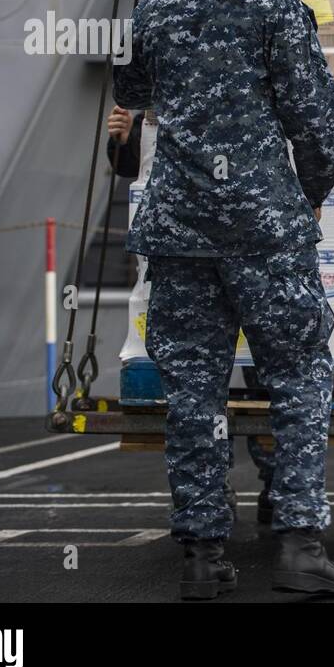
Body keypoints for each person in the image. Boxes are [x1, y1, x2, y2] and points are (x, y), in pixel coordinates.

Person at [113, 0, 334, 599]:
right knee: (299, 375)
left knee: (192, 390)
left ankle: (203, 560)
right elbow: (316, 122)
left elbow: (130, 100)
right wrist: (307, 195)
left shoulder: (152, 14)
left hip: (180, 230)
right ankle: (300, 545)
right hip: (264, 230)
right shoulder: (277, 6)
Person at [106, 105, 278, 523]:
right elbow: (141, 171)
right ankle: (223, 504)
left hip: (215, 255)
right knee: (210, 388)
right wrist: (123, 141)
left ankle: (210, 522)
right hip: (217, 256)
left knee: (231, 386)